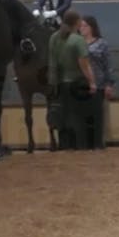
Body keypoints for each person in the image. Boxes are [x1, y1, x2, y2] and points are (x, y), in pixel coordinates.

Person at [47, 9, 97, 150]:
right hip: (77, 83)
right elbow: (84, 64)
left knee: (63, 115)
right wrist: (92, 82)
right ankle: (79, 145)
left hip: (59, 83)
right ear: (77, 22)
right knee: (78, 116)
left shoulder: (54, 38)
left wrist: (53, 83)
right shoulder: (78, 40)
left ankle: (65, 145)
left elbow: (52, 62)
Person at [80, 15, 115, 150]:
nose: (82, 28)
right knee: (84, 115)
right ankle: (86, 144)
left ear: (92, 27)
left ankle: (98, 144)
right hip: (82, 84)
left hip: (99, 83)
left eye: (85, 26)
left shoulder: (102, 44)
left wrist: (109, 84)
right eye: (81, 26)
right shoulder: (78, 43)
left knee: (97, 115)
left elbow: (108, 65)